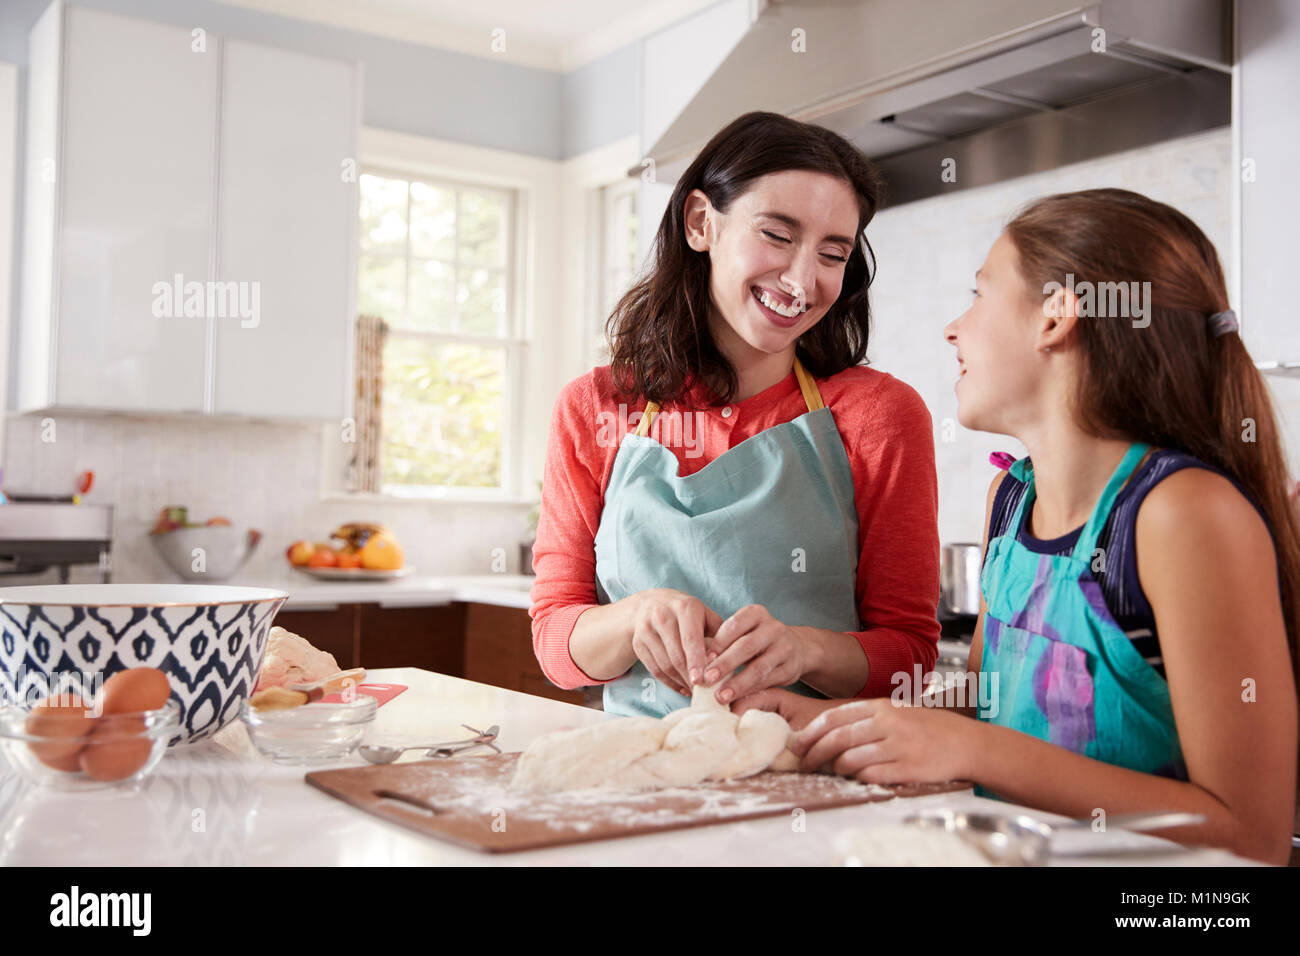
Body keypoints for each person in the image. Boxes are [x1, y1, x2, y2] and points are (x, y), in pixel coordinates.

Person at [740, 188, 1300, 865]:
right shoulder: (1011, 498)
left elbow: (1251, 835)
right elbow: (984, 703)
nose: (954, 328)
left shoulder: (1181, 515)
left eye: (978, 294)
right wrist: (841, 726)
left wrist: (978, 751)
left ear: (1057, 317)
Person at [528, 111, 941, 718]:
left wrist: (805, 650)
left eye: (832, 253)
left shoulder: (881, 414)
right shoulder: (594, 407)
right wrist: (634, 617)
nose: (802, 280)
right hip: (640, 769)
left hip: (815, 772)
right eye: (778, 235)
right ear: (701, 223)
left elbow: (908, 658)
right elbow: (556, 647)